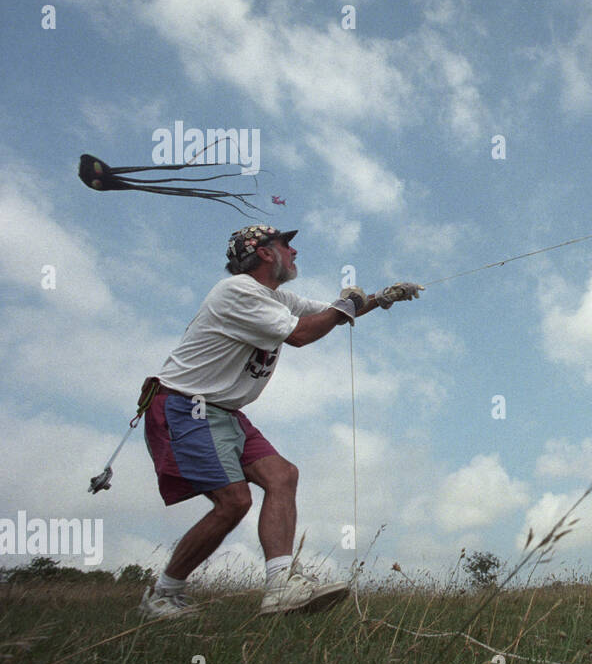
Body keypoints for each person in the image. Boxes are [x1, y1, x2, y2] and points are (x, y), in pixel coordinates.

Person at [137, 224, 423, 618]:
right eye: (286, 244)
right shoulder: (236, 291)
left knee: (282, 475)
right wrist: (348, 307)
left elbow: (327, 311)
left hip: (225, 411)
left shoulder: (275, 296)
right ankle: (163, 595)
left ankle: (279, 587)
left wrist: (381, 298)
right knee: (233, 502)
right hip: (189, 406)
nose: (295, 251)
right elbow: (303, 334)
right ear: (265, 253)